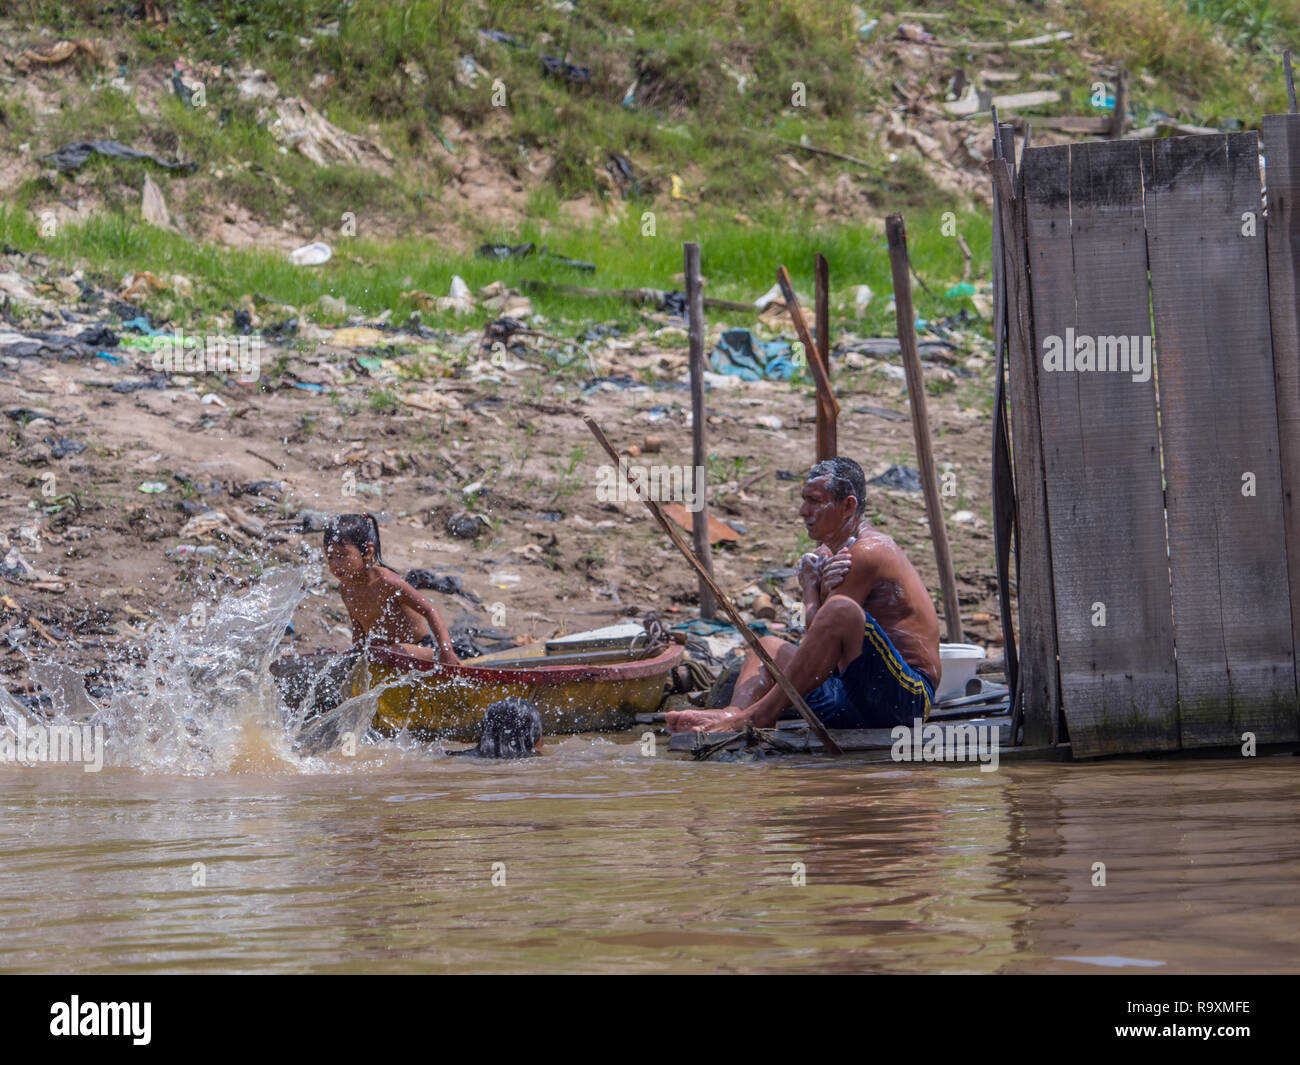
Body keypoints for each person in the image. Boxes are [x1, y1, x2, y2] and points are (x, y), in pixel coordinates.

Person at [665, 456, 940, 734]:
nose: (802, 511)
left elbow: (821, 633)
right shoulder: (827, 554)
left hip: (904, 703)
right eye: (803, 499)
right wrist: (818, 586)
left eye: (815, 501)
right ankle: (734, 713)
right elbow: (821, 647)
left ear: (848, 506)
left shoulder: (868, 552)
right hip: (853, 698)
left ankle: (757, 716)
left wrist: (810, 589)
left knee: (841, 610)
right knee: (767, 647)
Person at [323, 513, 459, 666]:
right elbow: (358, 627)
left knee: (383, 654)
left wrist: (446, 651)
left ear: (367, 552)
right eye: (330, 557)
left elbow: (430, 610)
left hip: (421, 650)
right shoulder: (345, 589)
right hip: (383, 653)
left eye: (341, 555)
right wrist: (356, 655)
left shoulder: (388, 582)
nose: (334, 565)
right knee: (356, 657)